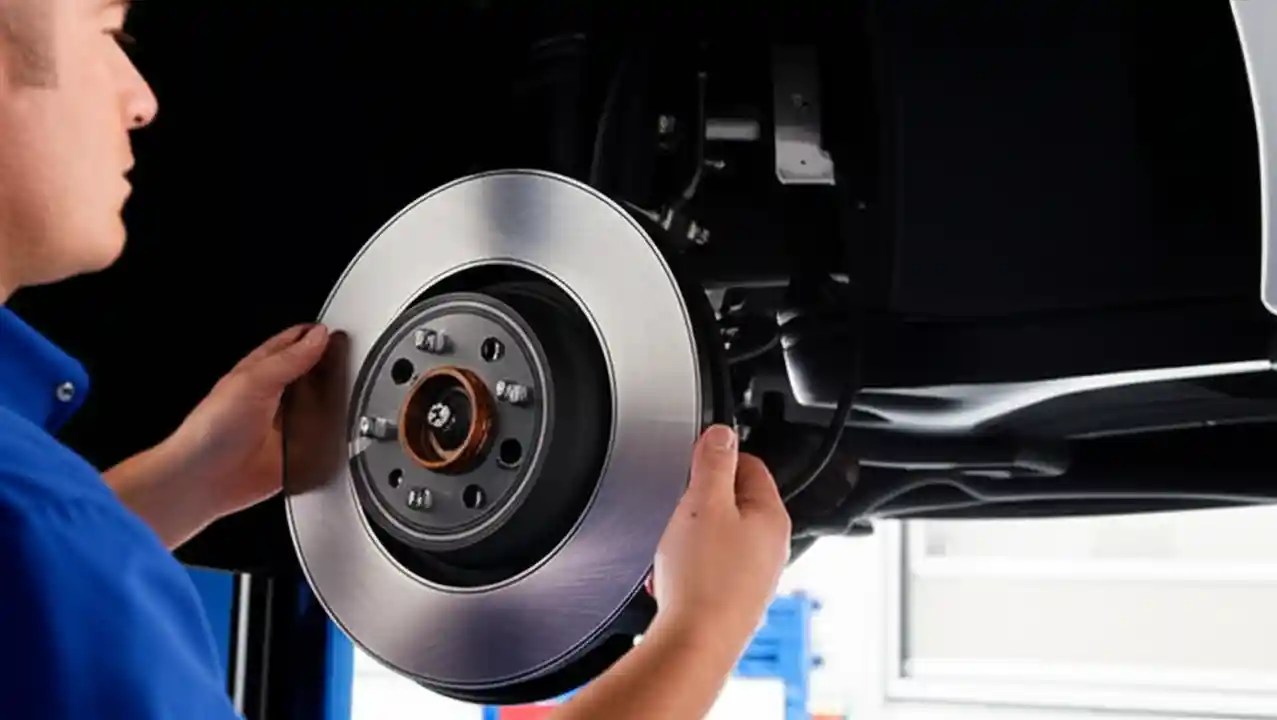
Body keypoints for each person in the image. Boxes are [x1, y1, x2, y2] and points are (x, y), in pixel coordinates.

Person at [0, 1, 793, 718]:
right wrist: (703, 629)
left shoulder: (33, 497)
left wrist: (183, 482)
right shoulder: (43, 517)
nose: (141, 98)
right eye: (105, 34)